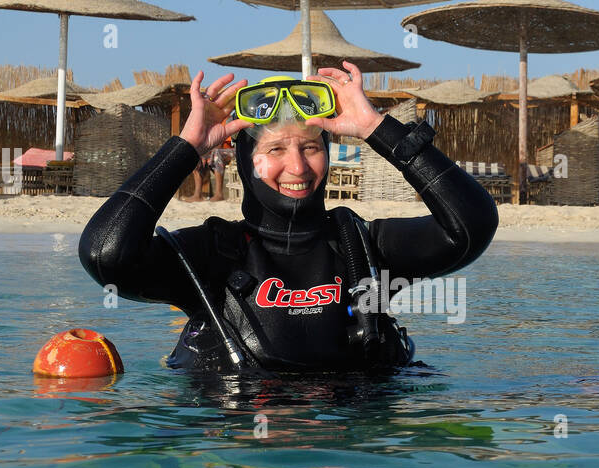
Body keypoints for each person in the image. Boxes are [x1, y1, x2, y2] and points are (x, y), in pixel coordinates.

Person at [79, 62, 497, 373]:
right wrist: (187, 146)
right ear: (246, 163)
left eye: (311, 148)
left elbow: (471, 226)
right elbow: (105, 254)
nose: (297, 167)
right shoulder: (210, 257)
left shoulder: (366, 250)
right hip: (240, 458)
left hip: (352, 467)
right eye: (275, 150)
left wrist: (376, 128)